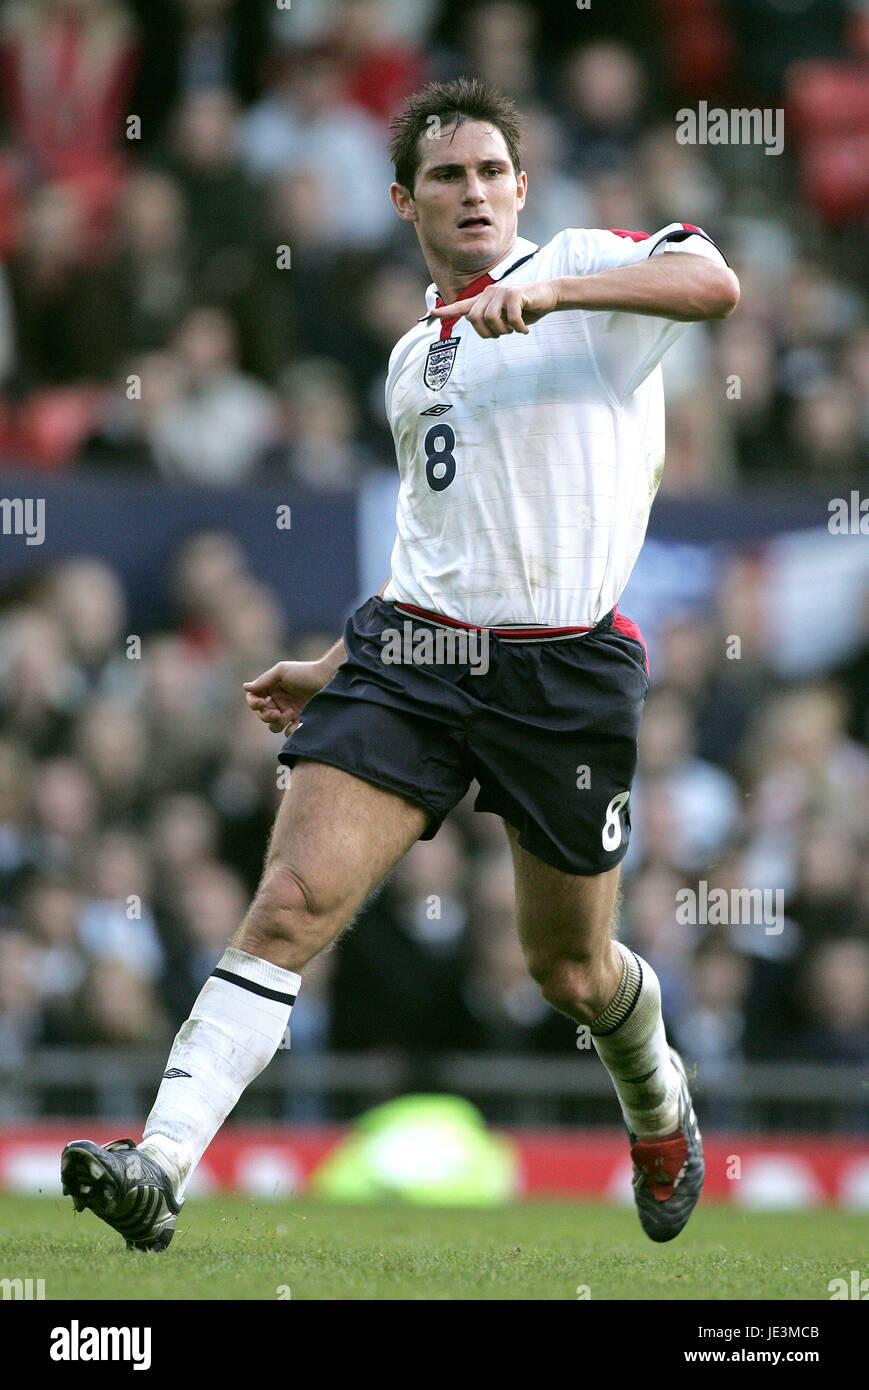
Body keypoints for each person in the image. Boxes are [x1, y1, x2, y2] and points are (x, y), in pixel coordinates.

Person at [61, 77, 739, 1251]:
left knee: (568, 971)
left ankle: (658, 1099)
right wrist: (332, 666)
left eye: (489, 172)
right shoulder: (408, 358)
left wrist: (555, 288)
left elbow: (715, 283)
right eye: (445, 176)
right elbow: (431, 555)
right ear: (402, 201)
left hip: (564, 669)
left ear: (521, 187)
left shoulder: (585, 265)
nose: (471, 192)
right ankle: (158, 1161)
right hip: (414, 662)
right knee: (289, 903)